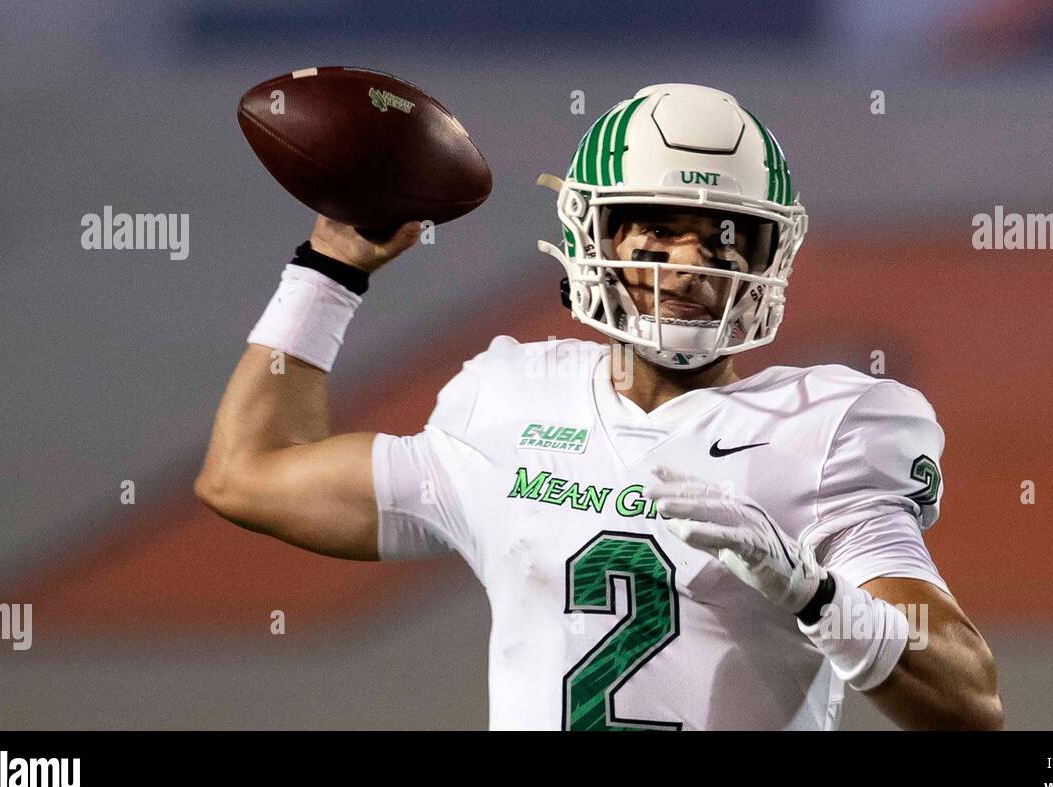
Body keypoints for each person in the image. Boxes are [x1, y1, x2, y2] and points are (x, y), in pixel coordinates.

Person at [196, 83, 1002, 730]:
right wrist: (329, 268)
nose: (691, 265)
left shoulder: (826, 429)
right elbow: (247, 473)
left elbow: (970, 703)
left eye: (726, 238)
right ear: (597, 237)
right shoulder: (507, 399)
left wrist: (813, 593)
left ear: (770, 256)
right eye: (659, 227)